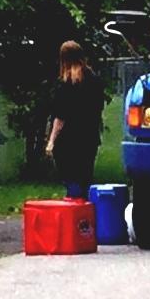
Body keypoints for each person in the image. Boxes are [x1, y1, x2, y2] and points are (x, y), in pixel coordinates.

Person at [45, 41, 105, 199]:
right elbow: (99, 107)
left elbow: (60, 116)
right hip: (89, 136)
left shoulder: (64, 84)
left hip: (68, 140)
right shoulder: (94, 80)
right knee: (85, 177)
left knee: (70, 178)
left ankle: (74, 209)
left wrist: (51, 141)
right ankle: (86, 215)